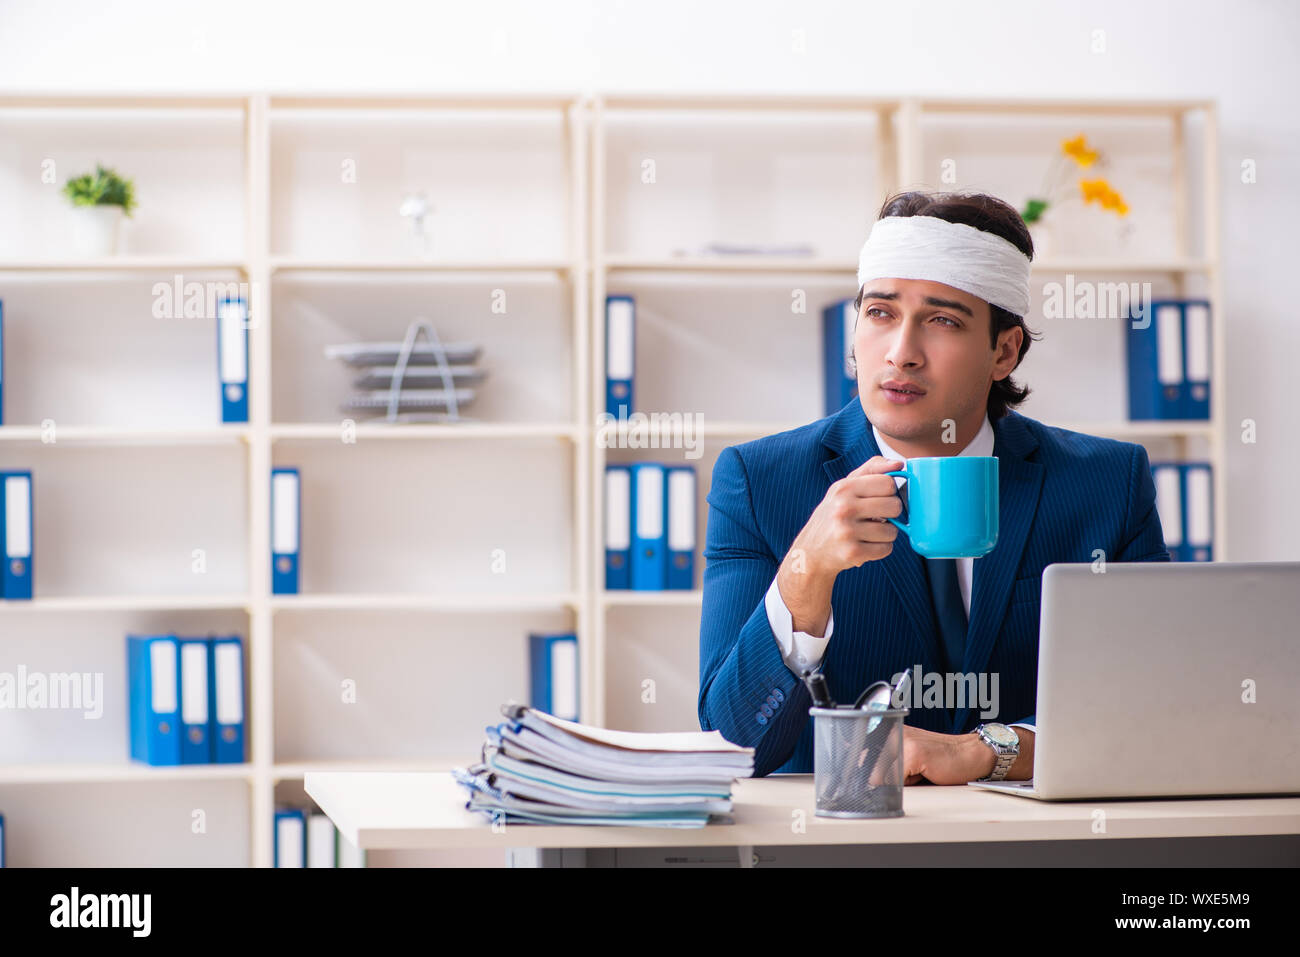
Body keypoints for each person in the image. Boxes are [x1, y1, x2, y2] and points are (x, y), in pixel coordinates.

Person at [697, 190, 1170, 780]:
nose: (901, 353)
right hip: (843, 844)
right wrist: (805, 571)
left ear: (1004, 350)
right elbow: (734, 748)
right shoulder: (759, 482)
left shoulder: (1107, 483)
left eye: (942, 320)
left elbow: (1151, 712)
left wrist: (987, 750)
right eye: (880, 313)